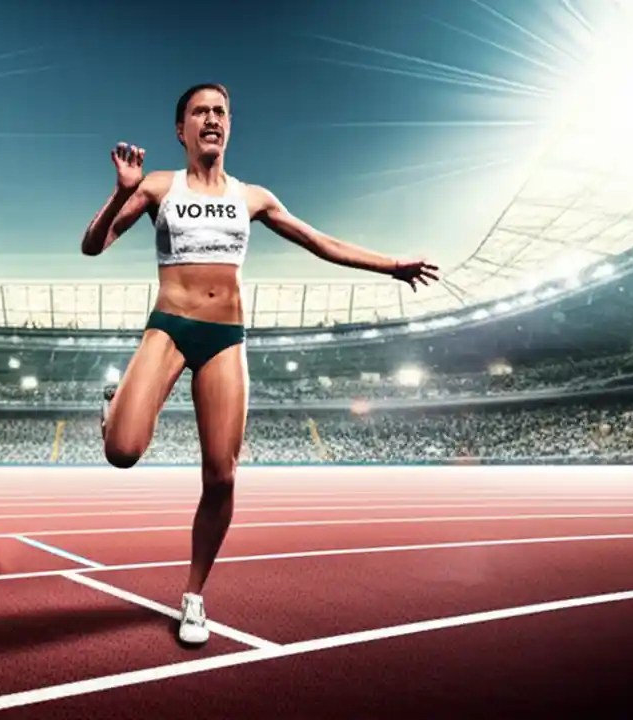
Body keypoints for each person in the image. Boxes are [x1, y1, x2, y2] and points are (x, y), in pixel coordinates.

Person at [80, 83, 439, 645]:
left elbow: (320, 242)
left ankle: (194, 596)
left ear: (229, 126)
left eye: (221, 111)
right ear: (181, 130)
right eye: (200, 111)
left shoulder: (253, 197)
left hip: (225, 337)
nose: (212, 118)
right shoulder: (156, 186)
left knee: (221, 476)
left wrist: (391, 265)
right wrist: (116, 192)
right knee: (122, 453)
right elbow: (92, 246)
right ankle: (116, 409)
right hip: (169, 327)